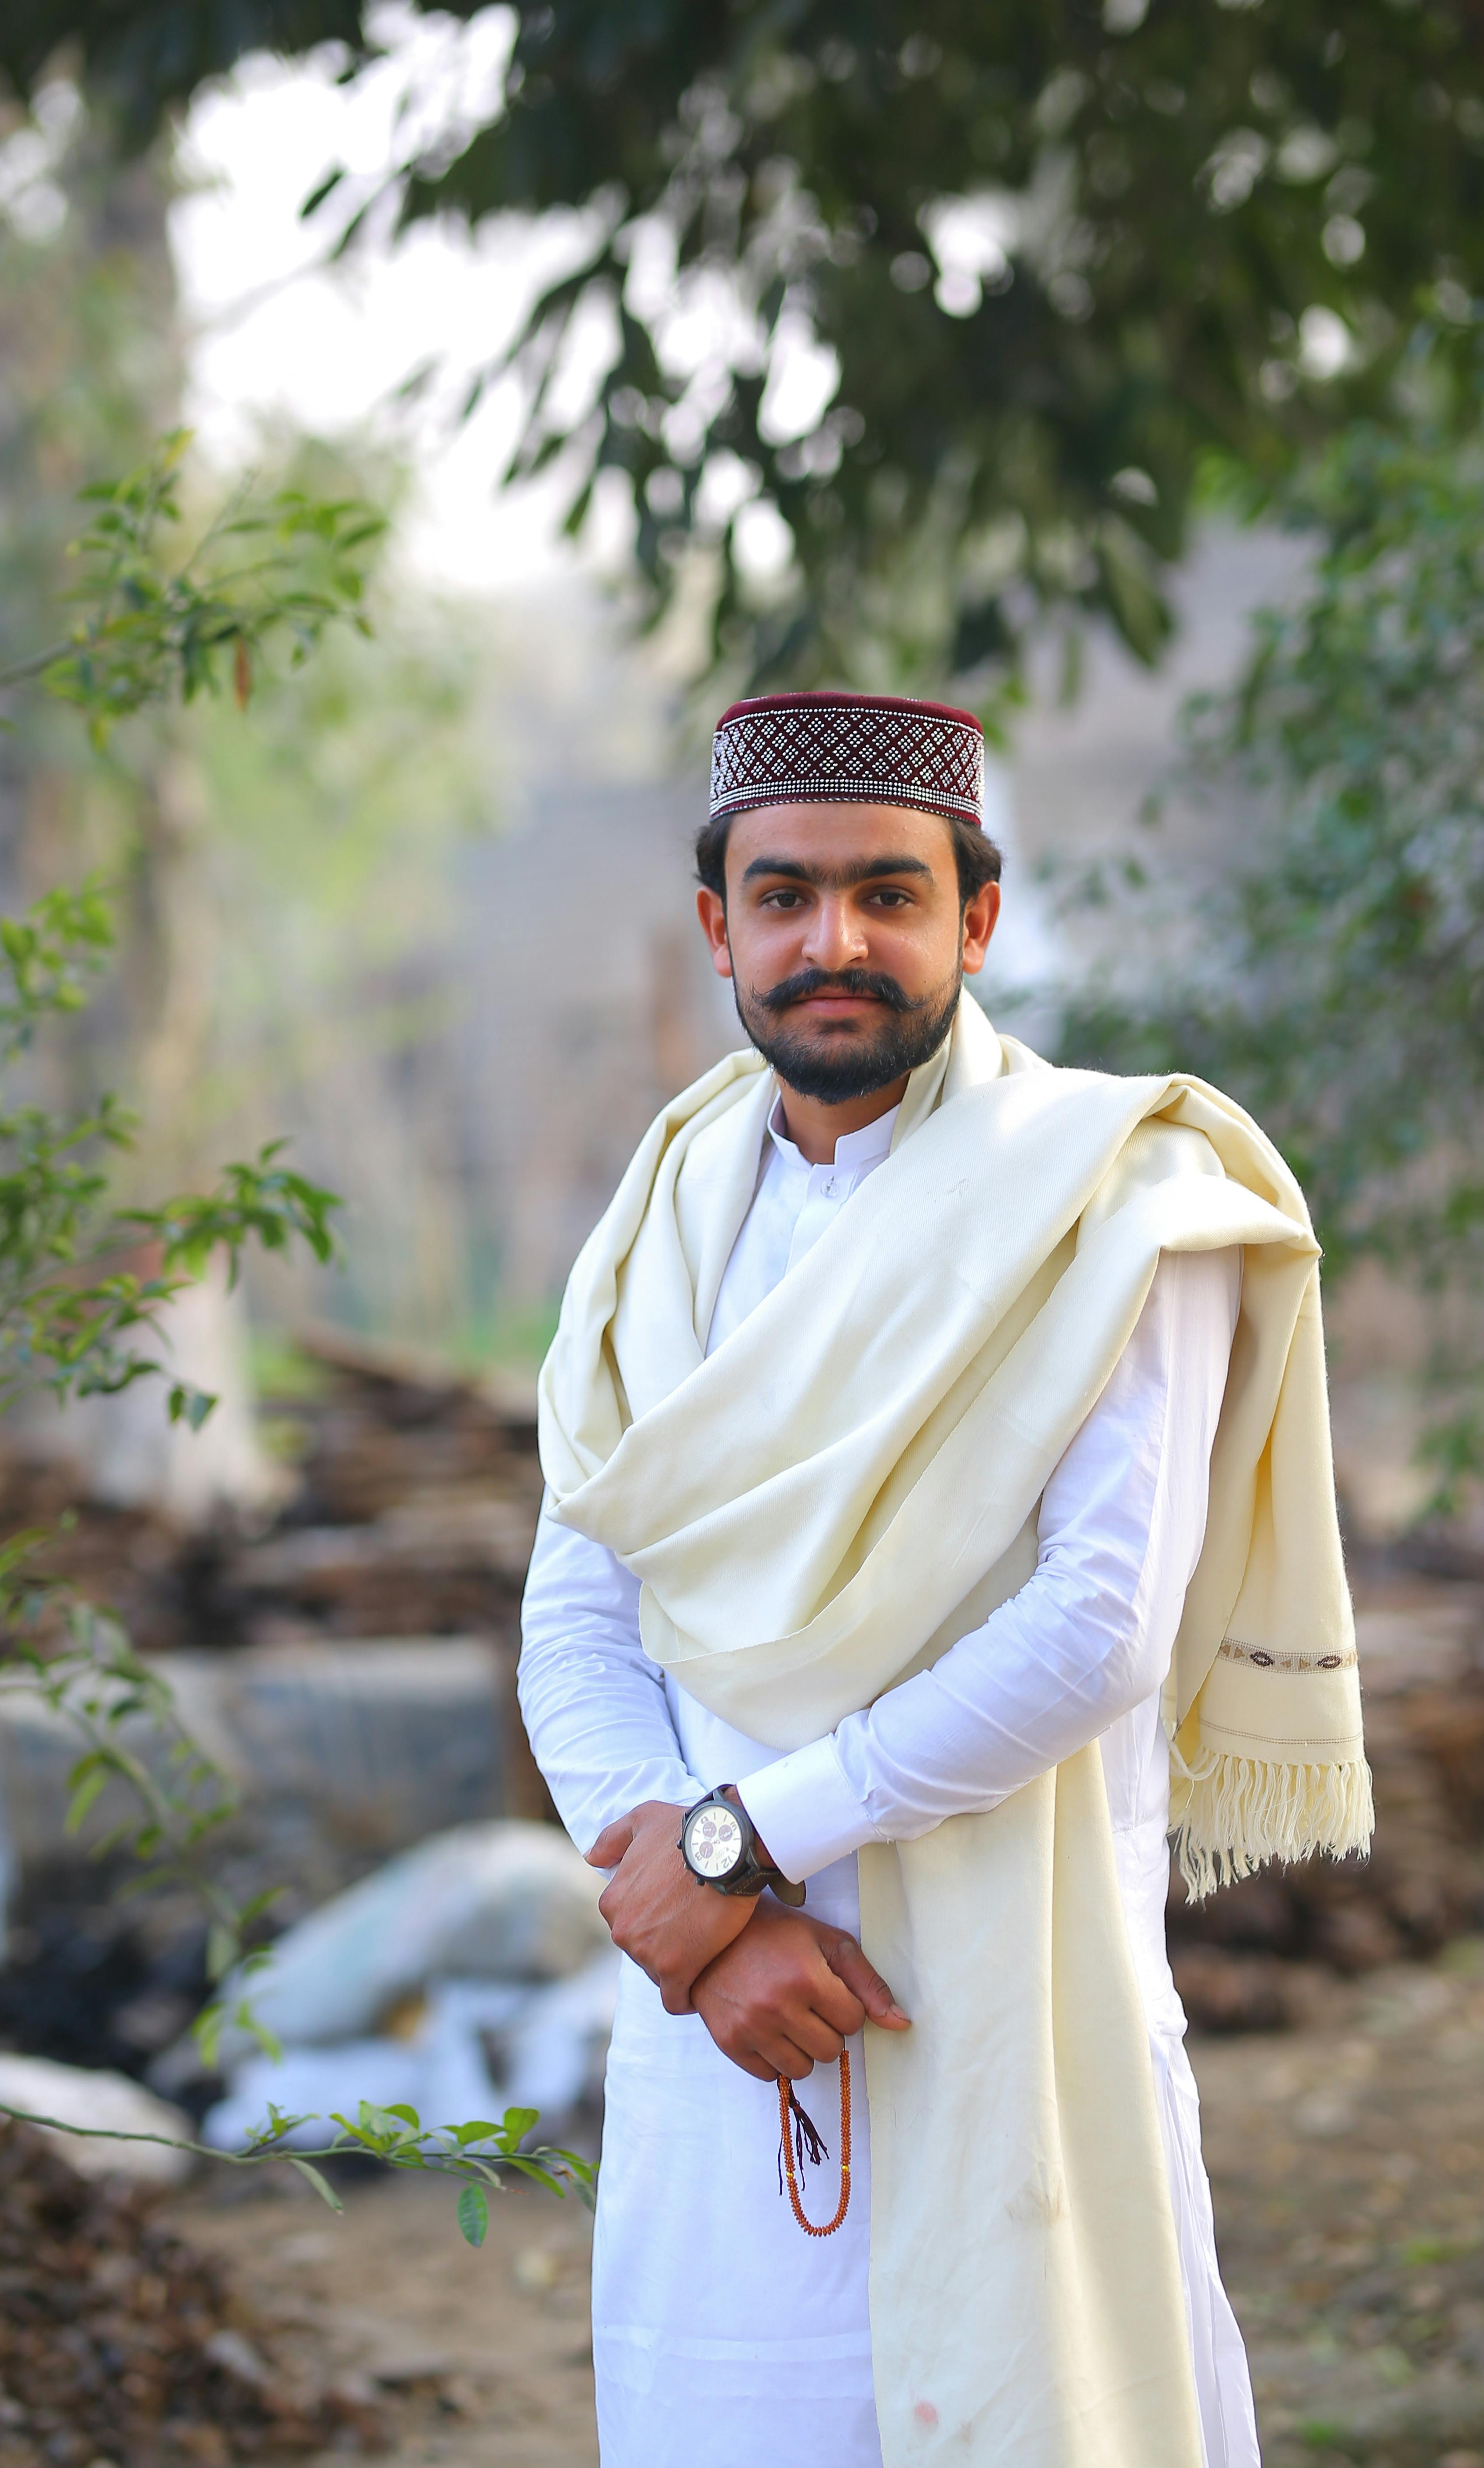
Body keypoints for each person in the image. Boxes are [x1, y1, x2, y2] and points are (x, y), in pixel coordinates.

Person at [519, 690, 1370, 2468]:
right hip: (716, 2023)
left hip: (997, 2020)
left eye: (890, 895)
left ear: (976, 918)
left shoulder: (1114, 1198)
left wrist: (738, 1850)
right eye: (786, 897)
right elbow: (581, 1603)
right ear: (718, 926)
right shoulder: (663, 1207)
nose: (835, 943)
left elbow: (1099, 1630)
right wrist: (699, 1925)